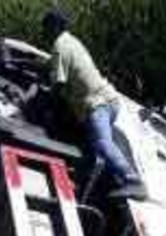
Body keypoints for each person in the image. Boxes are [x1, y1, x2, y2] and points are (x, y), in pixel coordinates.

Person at [41, 9, 146, 201]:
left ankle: (134, 182)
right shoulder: (71, 41)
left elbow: (58, 83)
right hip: (108, 100)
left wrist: (46, 107)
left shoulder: (59, 46)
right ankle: (79, 189)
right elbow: (63, 68)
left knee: (101, 143)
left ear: (54, 26)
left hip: (98, 105)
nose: (44, 32)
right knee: (87, 146)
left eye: (46, 27)